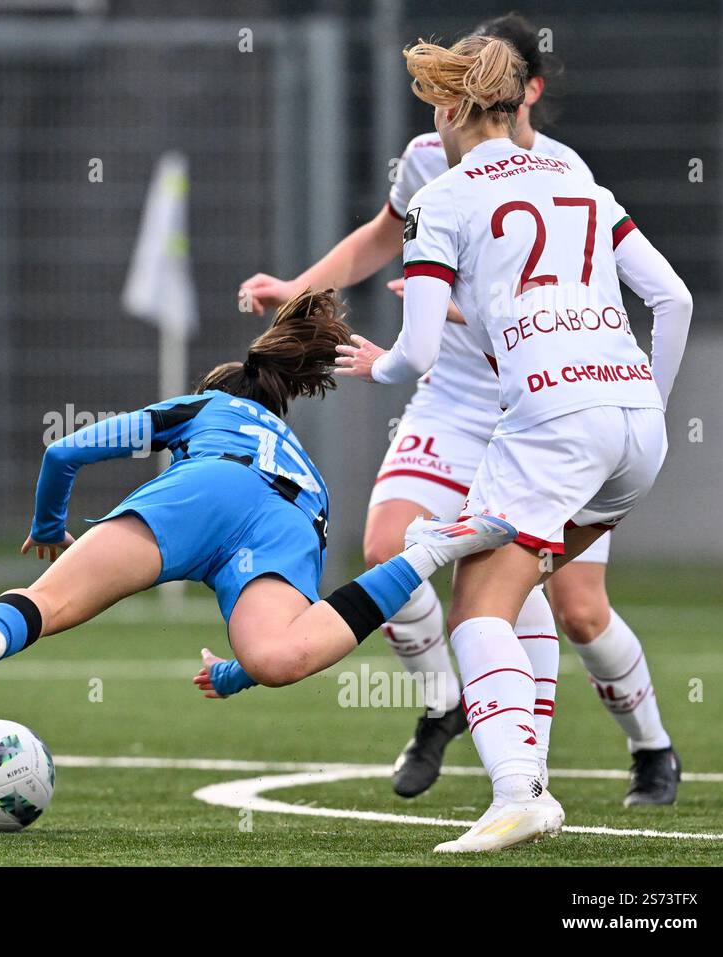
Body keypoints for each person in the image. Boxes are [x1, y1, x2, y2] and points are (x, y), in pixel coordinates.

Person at [240, 12, 680, 808]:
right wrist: (302, 288)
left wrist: (446, 309)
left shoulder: (565, 173)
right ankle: (451, 707)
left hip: (544, 405)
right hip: (469, 397)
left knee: (570, 606)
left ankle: (647, 745)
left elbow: (553, 306)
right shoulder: (426, 166)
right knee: (390, 546)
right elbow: (383, 236)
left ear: (522, 95)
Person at [0, 289, 515, 700]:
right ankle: (427, 553)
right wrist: (235, 672)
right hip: (292, 517)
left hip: (203, 491)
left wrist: (50, 526)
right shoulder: (307, 467)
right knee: (277, 657)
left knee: (48, 603)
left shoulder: (204, 407)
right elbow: (304, 619)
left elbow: (63, 451)